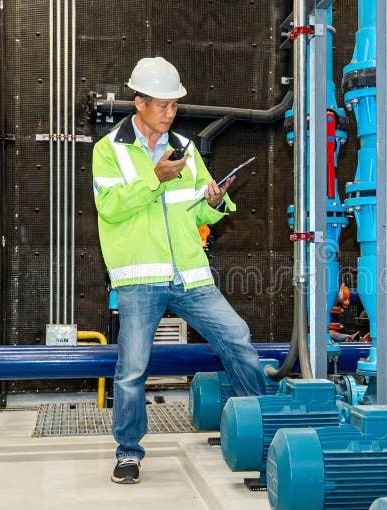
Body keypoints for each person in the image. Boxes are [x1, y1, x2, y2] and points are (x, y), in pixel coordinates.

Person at [92, 57, 266, 484]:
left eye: (175, 105)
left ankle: (261, 434)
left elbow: (201, 214)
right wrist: (153, 177)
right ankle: (128, 453)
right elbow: (109, 209)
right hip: (139, 277)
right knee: (132, 368)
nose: (171, 113)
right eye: (163, 105)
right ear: (139, 102)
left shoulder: (186, 149)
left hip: (190, 274)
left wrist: (214, 200)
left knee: (238, 338)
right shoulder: (109, 150)